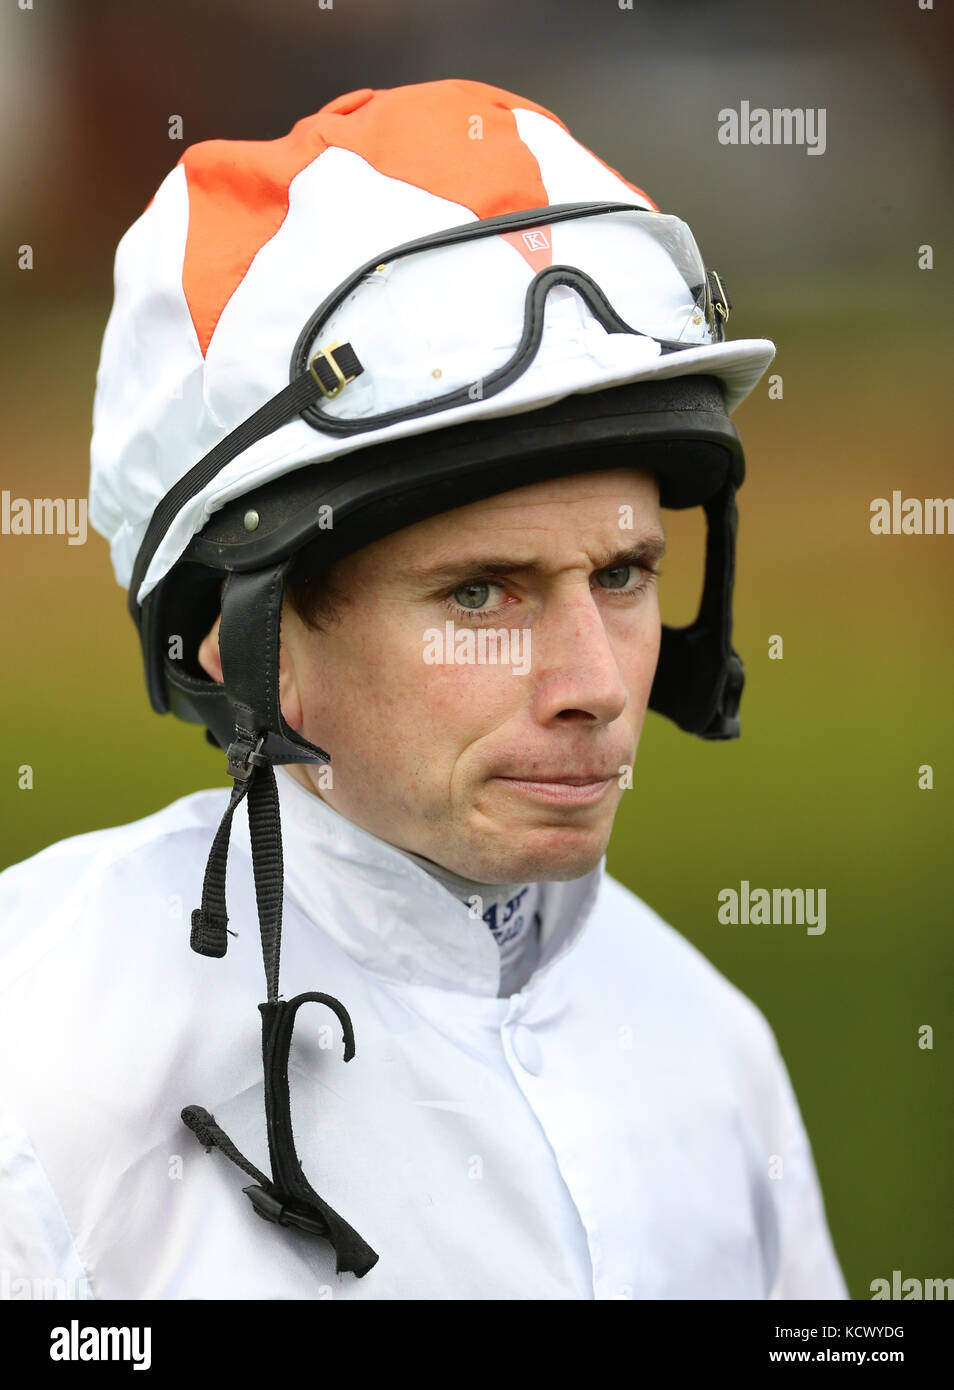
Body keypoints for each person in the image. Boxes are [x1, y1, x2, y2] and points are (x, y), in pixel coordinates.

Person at [0, 78, 848, 1300]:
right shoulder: (42, 1068)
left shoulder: (715, 1049)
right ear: (247, 646)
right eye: (480, 595)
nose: (596, 685)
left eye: (622, 573)